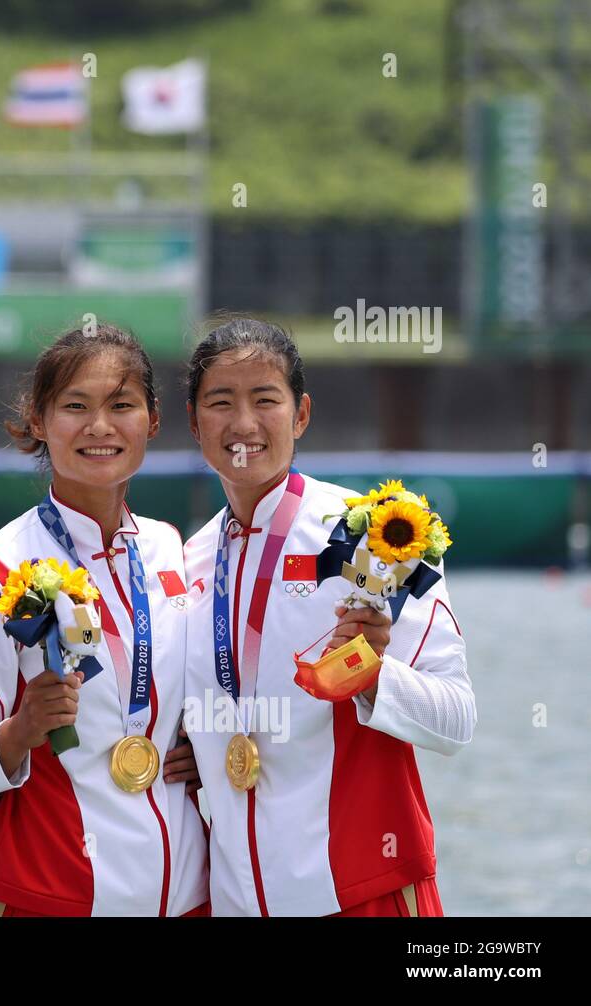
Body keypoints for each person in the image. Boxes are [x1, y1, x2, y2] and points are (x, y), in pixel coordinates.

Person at [181, 316, 475, 916]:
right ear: (194, 422)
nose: (243, 424)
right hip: (238, 899)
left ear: (301, 414)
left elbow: (456, 721)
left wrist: (372, 675)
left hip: (364, 888)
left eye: (266, 399)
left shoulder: (377, 533)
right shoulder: (188, 561)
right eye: (221, 403)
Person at [0, 323, 209, 916]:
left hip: (186, 895)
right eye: (75, 406)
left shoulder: (170, 549)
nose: (100, 427)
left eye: (121, 406)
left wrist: (210, 746)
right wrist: (20, 731)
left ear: (153, 420)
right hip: (50, 894)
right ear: (37, 419)